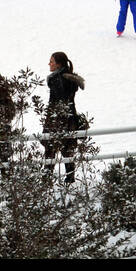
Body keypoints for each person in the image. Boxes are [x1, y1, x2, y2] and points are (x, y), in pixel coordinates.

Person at [42, 52, 85, 184]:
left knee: (50, 148)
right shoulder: (71, 79)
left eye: (52, 61)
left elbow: (56, 102)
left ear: (58, 64)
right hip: (71, 119)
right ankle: (70, 178)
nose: (49, 64)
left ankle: (46, 178)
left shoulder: (56, 80)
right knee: (68, 149)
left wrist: (50, 120)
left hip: (56, 120)